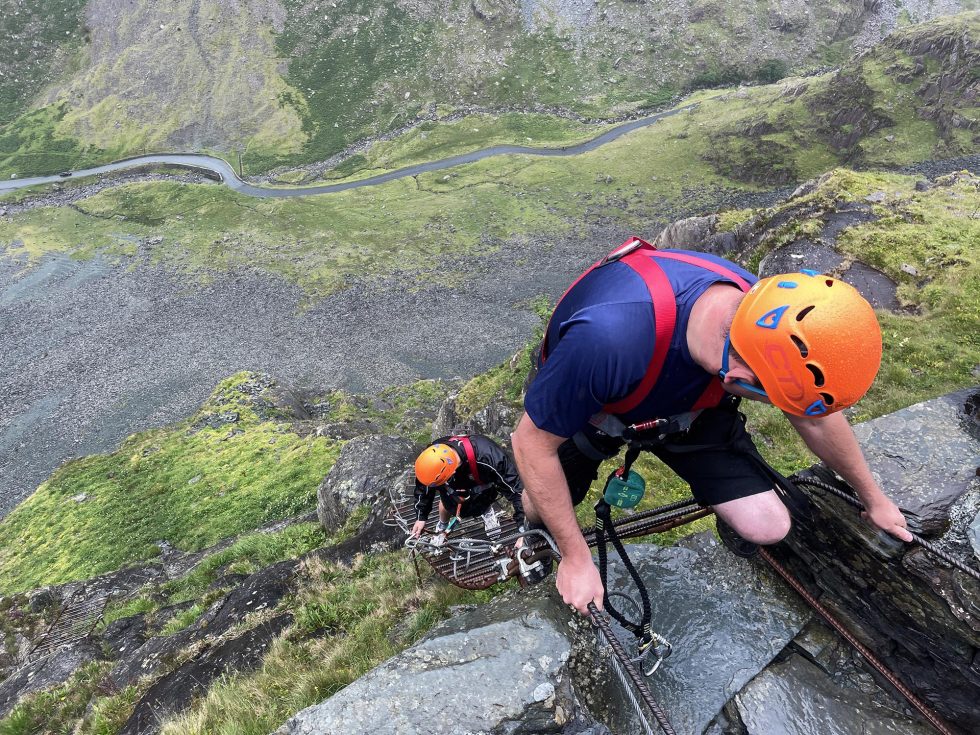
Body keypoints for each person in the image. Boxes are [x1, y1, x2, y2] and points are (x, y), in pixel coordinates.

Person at [511, 237, 913, 615]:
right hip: (596, 407)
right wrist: (576, 557)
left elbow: (817, 420)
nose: (779, 407)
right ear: (741, 375)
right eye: (771, 396)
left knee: (769, 524)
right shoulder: (607, 340)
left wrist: (874, 498)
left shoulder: (766, 317)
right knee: (539, 503)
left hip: (689, 408)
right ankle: (530, 530)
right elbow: (532, 444)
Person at [410, 434, 525, 544]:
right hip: (453, 488)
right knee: (447, 504)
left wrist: (523, 530)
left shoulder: (489, 456)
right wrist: (421, 517)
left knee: (483, 501)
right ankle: (442, 525)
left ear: (452, 472)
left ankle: (487, 512)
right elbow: (424, 485)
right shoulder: (432, 457)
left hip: (483, 484)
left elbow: (516, 491)